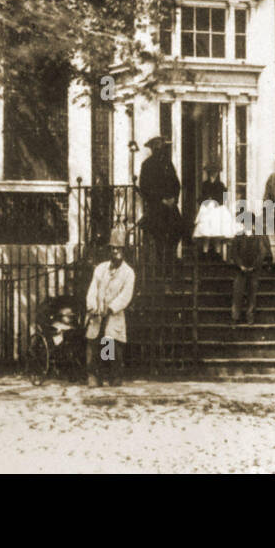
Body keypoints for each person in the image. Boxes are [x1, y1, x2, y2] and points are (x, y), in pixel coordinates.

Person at [85, 229, 136, 387]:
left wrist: (111, 308)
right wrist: (93, 305)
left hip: (114, 315)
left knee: (110, 344)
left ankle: (112, 375)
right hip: (97, 314)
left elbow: (126, 296)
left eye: (118, 248)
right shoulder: (101, 269)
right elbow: (93, 289)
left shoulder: (128, 273)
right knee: (94, 344)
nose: (115, 251)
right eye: (113, 248)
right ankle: (94, 376)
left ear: (124, 250)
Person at [137, 135, 182, 265]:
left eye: (160, 146)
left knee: (179, 229)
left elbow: (176, 183)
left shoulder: (168, 163)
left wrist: (174, 198)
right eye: (155, 146)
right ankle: (160, 261)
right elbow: (144, 187)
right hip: (156, 206)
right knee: (158, 233)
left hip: (170, 205)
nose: (158, 148)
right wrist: (160, 199)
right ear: (151, 148)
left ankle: (171, 257)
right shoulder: (147, 165)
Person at [229, 210, 271, 324]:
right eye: (245, 221)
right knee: (237, 292)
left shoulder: (258, 237)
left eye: (249, 221)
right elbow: (234, 253)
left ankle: (250, 316)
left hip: (254, 270)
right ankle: (235, 316)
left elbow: (261, 253)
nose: (247, 224)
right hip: (240, 270)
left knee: (252, 293)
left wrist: (254, 266)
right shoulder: (238, 236)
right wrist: (240, 265)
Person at [191, 162, 234, 260]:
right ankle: (205, 253)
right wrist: (207, 200)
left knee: (217, 231)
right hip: (207, 208)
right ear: (209, 173)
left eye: (216, 172)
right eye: (212, 172)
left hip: (217, 209)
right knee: (206, 231)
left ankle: (217, 253)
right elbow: (202, 196)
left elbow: (224, 198)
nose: (214, 174)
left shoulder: (221, 185)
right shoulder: (205, 184)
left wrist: (217, 202)